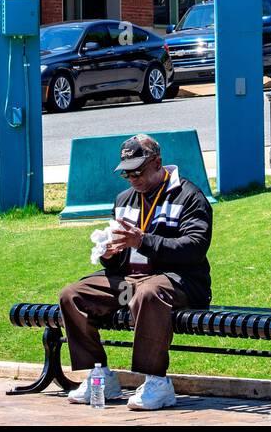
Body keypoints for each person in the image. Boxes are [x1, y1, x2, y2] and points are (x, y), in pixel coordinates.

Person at [59, 133, 212, 411]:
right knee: (73, 295)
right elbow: (120, 259)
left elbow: (194, 248)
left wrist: (144, 241)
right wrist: (109, 256)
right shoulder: (124, 200)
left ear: (158, 163)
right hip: (131, 281)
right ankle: (99, 373)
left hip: (180, 282)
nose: (132, 179)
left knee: (148, 293)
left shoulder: (190, 196)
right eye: (126, 174)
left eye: (138, 171)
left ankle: (157, 381)